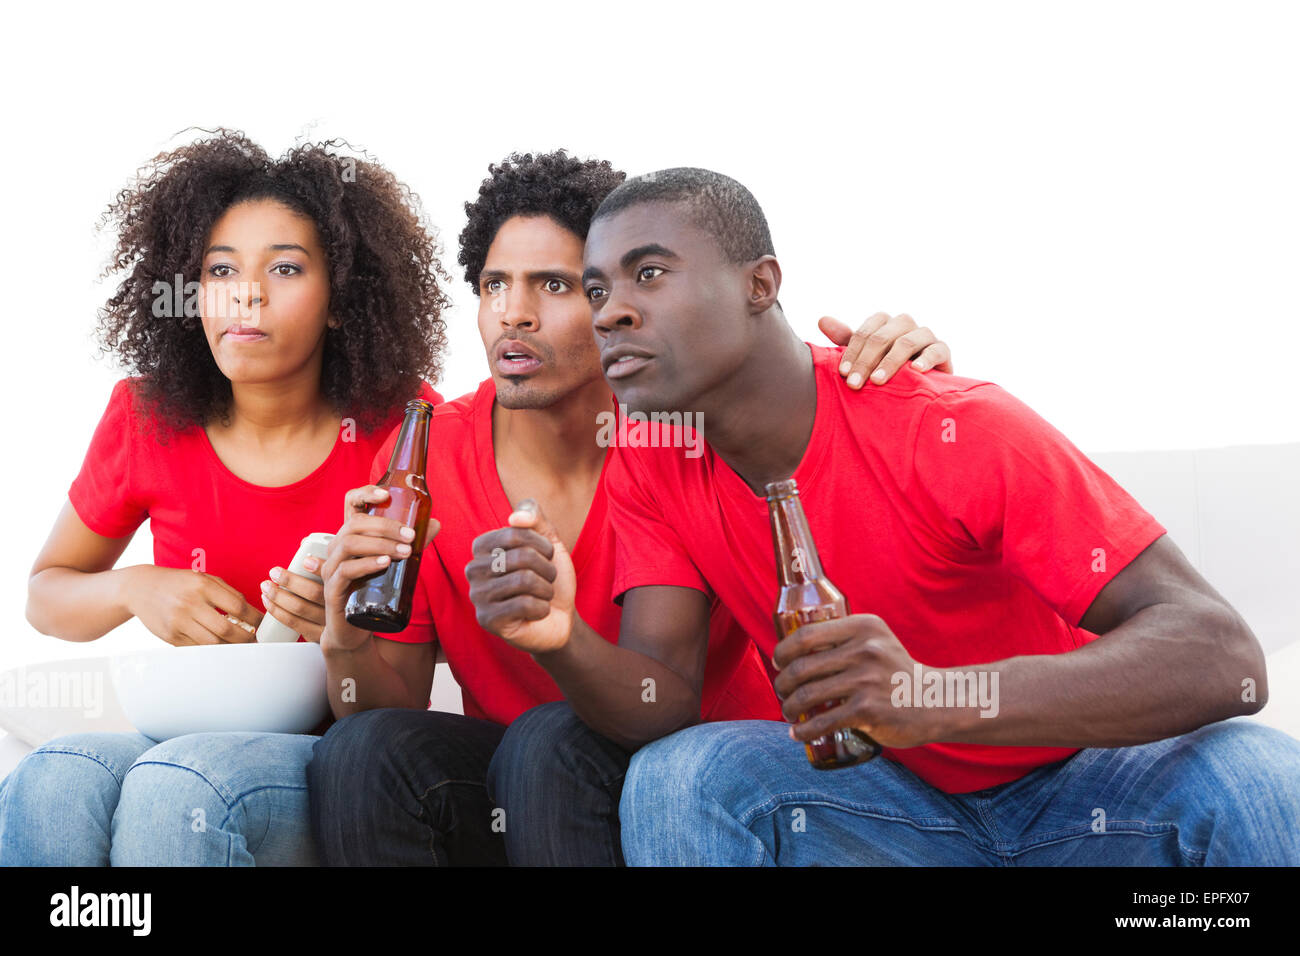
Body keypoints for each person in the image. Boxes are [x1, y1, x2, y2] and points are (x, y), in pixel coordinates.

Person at [468, 166, 1300, 865]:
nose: (611, 310)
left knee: (1254, 774)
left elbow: (1224, 656)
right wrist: (564, 637)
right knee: (682, 775)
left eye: (648, 275)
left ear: (760, 284)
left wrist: (933, 696)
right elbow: (664, 698)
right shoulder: (654, 459)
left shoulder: (949, 425)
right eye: (598, 287)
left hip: (1093, 796)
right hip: (891, 814)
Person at [308, 150, 952, 865]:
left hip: (686, 761)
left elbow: (792, 390)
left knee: (550, 742)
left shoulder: (685, 424)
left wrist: (894, 365)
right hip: (514, 771)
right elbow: (379, 705)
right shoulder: (427, 456)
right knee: (363, 749)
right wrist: (344, 639)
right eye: (494, 285)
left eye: (554, 285)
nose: (513, 314)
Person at [0, 130, 447, 866]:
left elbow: (401, 705)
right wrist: (136, 589)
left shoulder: (406, 434)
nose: (247, 295)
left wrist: (341, 628)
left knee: (183, 789)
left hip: (329, 752)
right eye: (220, 269)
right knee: (50, 779)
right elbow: (44, 597)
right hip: (182, 730)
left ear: (341, 302)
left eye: (285, 268)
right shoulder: (145, 418)